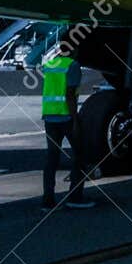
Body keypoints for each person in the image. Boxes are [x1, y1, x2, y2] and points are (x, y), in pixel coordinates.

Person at [40, 37, 93, 210]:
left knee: (52, 158)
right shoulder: (72, 65)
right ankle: (75, 197)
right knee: (80, 155)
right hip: (66, 117)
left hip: (49, 116)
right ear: (74, 49)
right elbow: (70, 95)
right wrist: (76, 119)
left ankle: (48, 200)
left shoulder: (50, 64)